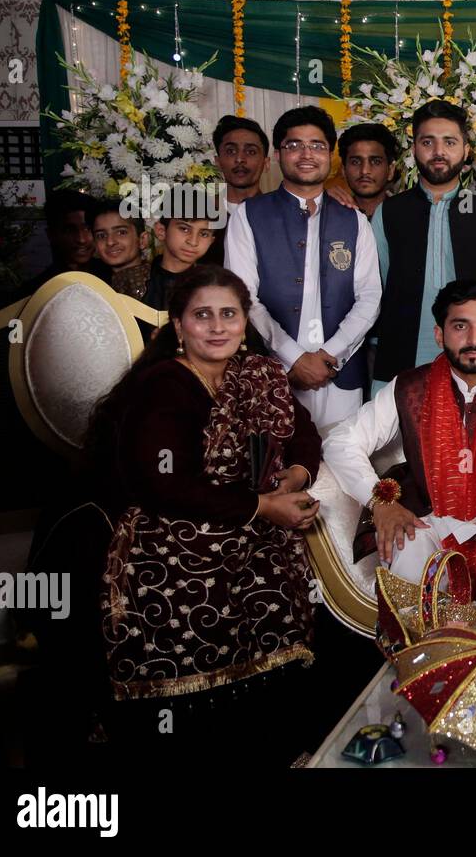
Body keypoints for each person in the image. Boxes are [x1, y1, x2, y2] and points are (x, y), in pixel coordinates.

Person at [87, 266, 322, 762]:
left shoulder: (257, 375)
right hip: (170, 529)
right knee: (205, 596)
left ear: (243, 322)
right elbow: (163, 483)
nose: (217, 327)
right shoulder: (166, 384)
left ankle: (270, 747)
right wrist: (262, 506)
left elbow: (303, 433)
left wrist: (296, 475)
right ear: (178, 325)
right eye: (202, 315)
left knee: (274, 582)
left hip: (245, 521)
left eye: (228, 315)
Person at [321, 280, 476, 605]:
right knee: (408, 542)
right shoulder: (409, 388)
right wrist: (382, 504)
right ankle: (425, 653)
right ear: (439, 334)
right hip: (428, 520)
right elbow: (341, 442)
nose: (473, 339)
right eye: (460, 326)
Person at [224, 105, 382, 429]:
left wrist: (331, 354)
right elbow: (243, 297)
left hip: (340, 375)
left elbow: (370, 296)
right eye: (294, 145)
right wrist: (293, 357)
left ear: (330, 154)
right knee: (274, 469)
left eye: (317, 145)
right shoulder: (249, 216)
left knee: (343, 466)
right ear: (279, 155)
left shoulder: (353, 219)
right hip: (272, 373)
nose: (306, 153)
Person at [370, 100, 476, 395]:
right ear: (414, 149)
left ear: (466, 150)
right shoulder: (390, 212)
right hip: (398, 360)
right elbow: (374, 289)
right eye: (428, 142)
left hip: (472, 365)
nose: (439, 152)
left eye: (450, 142)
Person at [14, 189, 104, 299]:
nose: (81, 239)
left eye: (87, 228)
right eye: (69, 230)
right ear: (51, 235)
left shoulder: (113, 277)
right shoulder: (35, 292)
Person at [142, 211, 217, 311]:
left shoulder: (215, 285)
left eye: (204, 234)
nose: (193, 242)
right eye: (184, 229)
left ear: (211, 241)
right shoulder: (134, 280)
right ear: (161, 231)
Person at [87, 199, 150, 301]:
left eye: (121, 232)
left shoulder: (158, 284)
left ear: (142, 240)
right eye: (101, 235)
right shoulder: (92, 287)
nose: (110, 242)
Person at [337, 122, 398, 224]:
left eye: (376, 161)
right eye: (355, 162)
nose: (365, 171)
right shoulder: (329, 216)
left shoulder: (408, 215)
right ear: (343, 170)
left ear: (390, 170)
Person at [213, 114, 270, 211]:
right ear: (217, 162)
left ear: (266, 164)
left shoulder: (279, 213)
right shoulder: (198, 212)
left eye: (251, 152)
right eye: (230, 151)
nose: (240, 159)